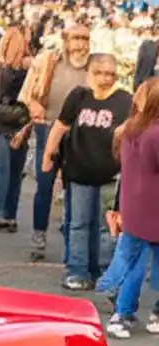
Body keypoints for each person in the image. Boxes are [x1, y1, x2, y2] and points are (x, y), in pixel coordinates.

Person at [42, 53, 131, 291]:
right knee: (79, 223)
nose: (105, 78)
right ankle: (77, 270)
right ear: (90, 73)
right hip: (79, 171)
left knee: (105, 226)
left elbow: (132, 134)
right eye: (100, 73)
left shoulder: (124, 100)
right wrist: (48, 156)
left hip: (110, 174)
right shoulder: (79, 96)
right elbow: (60, 126)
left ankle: (103, 272)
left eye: (111, 74)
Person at [19, 23, 90, 261]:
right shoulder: (48, 62)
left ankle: (73, 241)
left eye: (85, 39)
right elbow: (27, 93)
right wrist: (33, 105)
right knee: (45, 185)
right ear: (65, 40)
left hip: (79, 134)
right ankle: (38, 237)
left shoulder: (93, 67)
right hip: (47, 129)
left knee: (75, 187)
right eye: (76, 38)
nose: (81, 44)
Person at [103, 77, 159, 338]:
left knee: (132, 261)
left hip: (133, 205)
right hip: (153, 207)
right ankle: (146, 314)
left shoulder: (129, 129)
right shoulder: (154, 133)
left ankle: (123, 312)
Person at [0, 28, 32, 233]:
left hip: (14, 128)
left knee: (12, 173)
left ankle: (6, 213)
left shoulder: (25, 72)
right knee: (5, 172)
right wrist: (22, 115)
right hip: (7, 127)